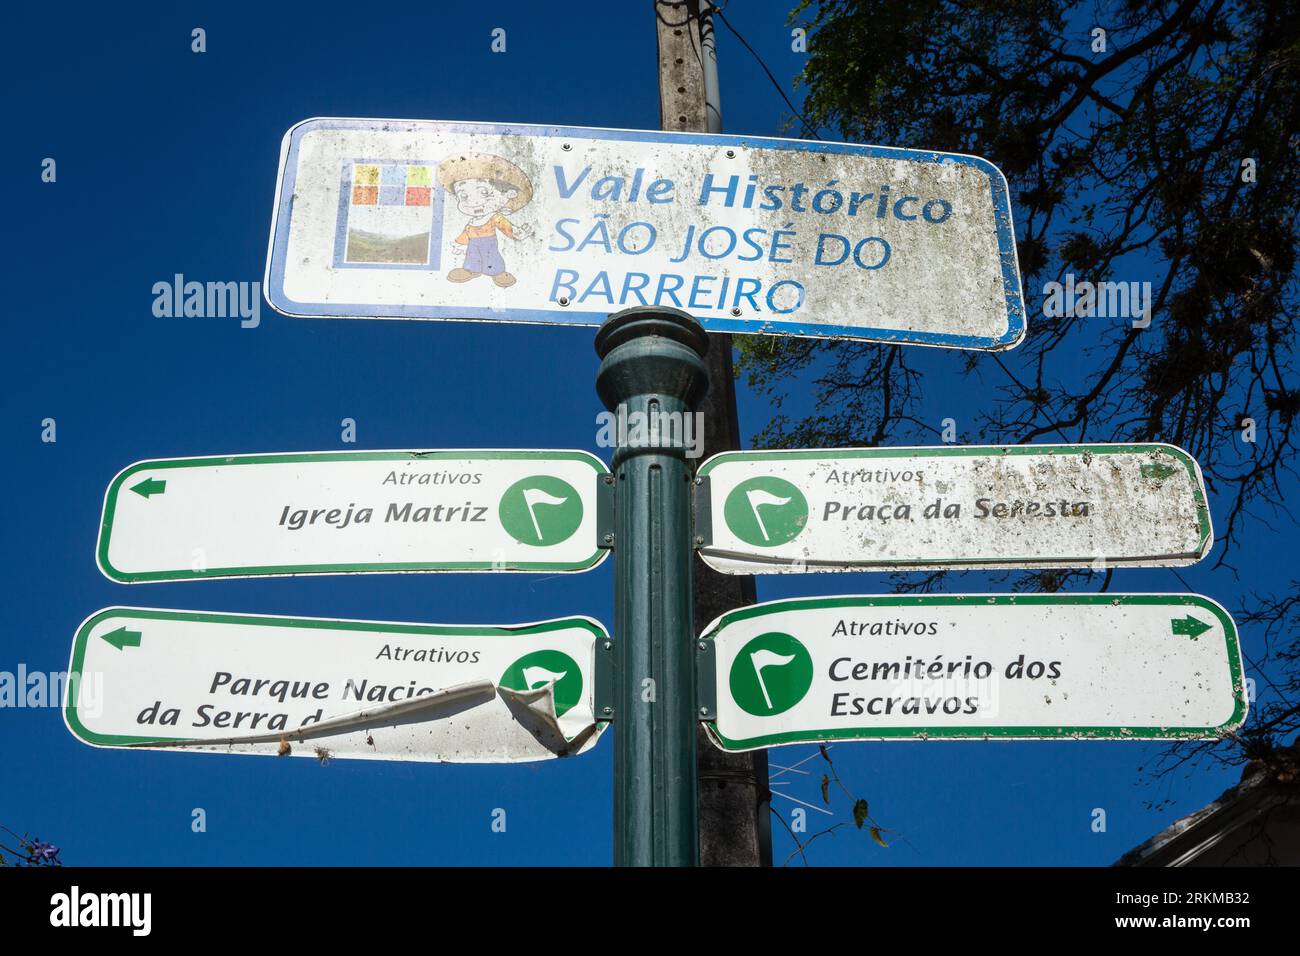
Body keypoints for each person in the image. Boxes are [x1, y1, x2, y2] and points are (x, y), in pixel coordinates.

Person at [436, 153, 533, 288]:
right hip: (473, 244)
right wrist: (460, 244)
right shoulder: (471, 223)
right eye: (463, 196)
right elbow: (467, 233)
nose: (473, 202)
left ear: (508, 194)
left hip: (489, 243)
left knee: (492, 256)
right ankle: (471, 270)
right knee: (472, 257)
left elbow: (505, 227)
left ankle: (497, 272)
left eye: (484, 192)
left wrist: (517, 232)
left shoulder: (494, 217)